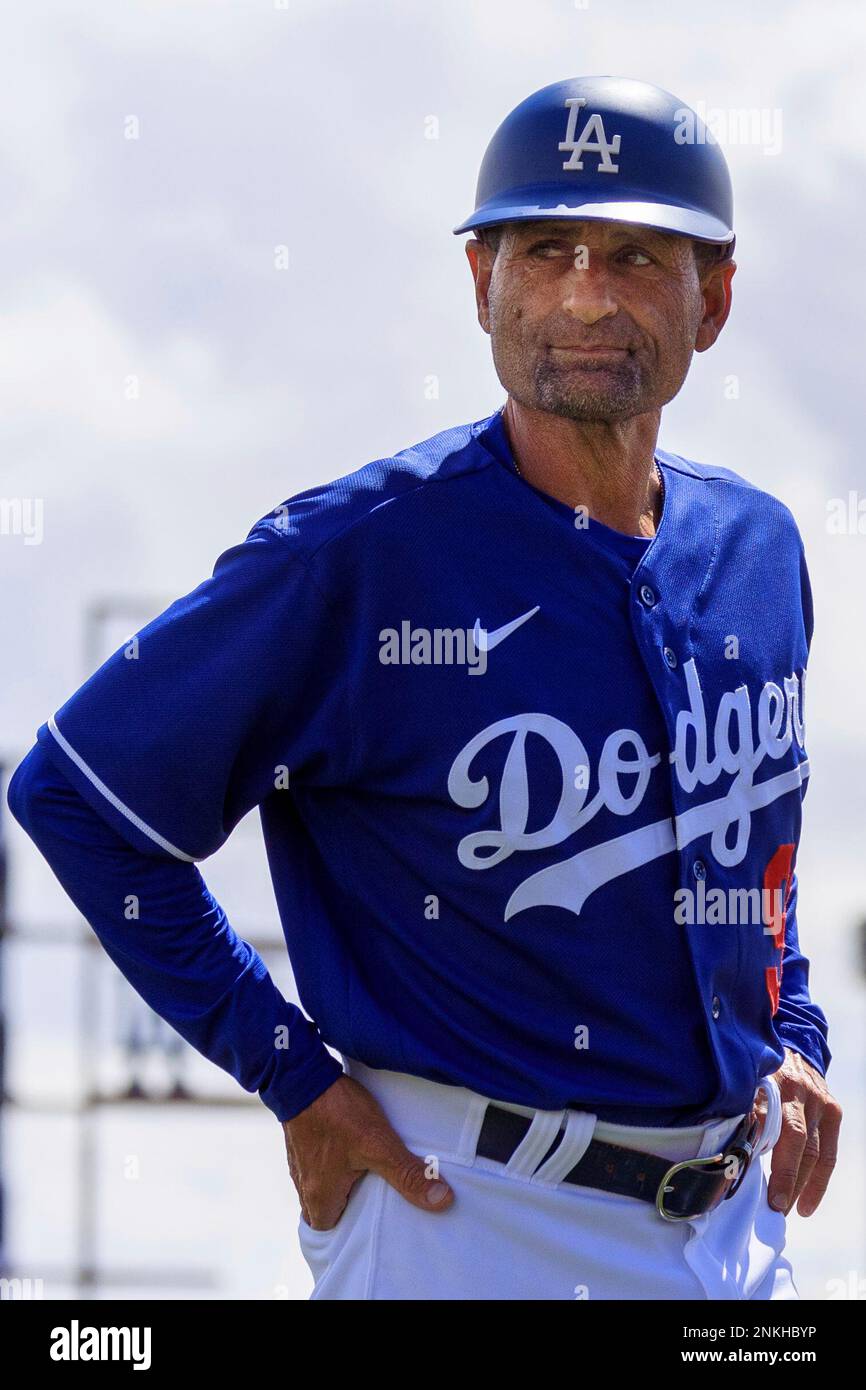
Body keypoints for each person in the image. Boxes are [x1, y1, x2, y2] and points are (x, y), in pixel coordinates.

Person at [8, 76, 840, 1300]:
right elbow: (78, 798)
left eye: (630, 253)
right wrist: (288, 1071)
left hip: (733, 1230)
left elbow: (748, 851)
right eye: (543, 248)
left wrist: (797, 1037)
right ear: (479, 283)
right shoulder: (357, 553)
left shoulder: (757, 547)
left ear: (711, 294)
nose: (582, 293)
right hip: (469, 1215)